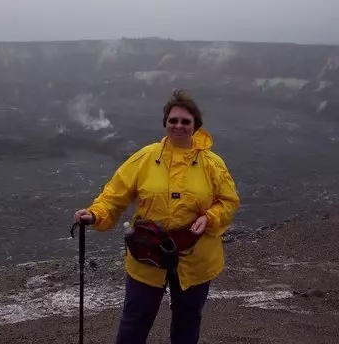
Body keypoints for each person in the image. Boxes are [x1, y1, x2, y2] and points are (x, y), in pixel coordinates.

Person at [74, 89, 240, 344]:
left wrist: (210, 217)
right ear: (165, 123)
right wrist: (95, 214)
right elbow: (115, 194)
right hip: (148, 253)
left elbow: (228, 201)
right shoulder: (146, 158)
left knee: (187, 321)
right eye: (173, 120)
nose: (179, 126)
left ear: (196, 126)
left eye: (186, 121)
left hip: (195, 256)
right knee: (135, 321)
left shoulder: (212, 164)